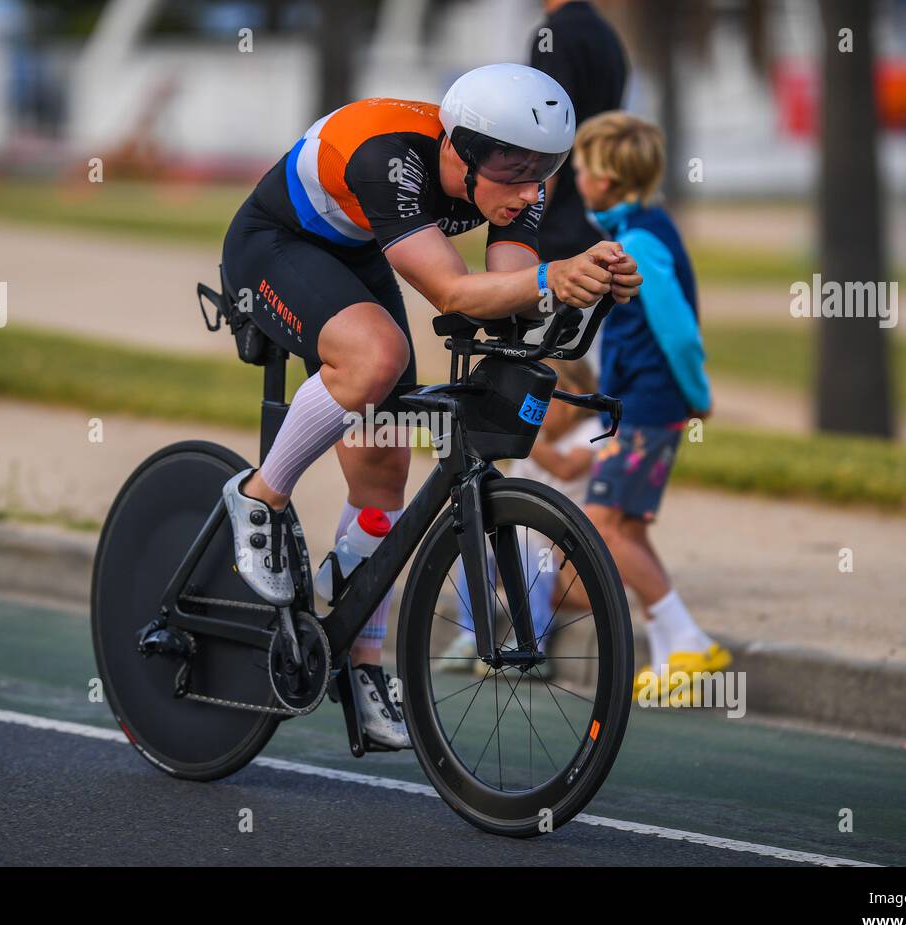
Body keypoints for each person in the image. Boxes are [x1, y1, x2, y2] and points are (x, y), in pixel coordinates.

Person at [218, 64, 644, 748]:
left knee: (386, 465)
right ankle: (261, 495)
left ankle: (357, 662)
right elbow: (452, 293)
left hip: (356, 254)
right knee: (375, 356)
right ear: (461, 150)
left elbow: (506, 292)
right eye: (512, 172)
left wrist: (581, 283)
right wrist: (549, 277)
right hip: (275, 245)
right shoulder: (388, 160)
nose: (529, 188)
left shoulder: (517, 175)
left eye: (544, 169)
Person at [571, 111, 731, 703]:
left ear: (608, 180)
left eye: (584, 169)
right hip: (639, 404)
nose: (577, 178)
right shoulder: (636, 229)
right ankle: (674, 654)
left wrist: (698, 395)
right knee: (629, 526)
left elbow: (679, 331)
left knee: (604, 527)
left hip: (647, 407)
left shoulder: (640, 241)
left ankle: (687, 638)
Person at [440, 358, 607, 679]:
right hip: (531, 541)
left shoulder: (591, 432)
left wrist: (524, 440)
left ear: (572, 398)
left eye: (544, 398)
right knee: (477, 540)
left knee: (531, 543)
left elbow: (568, 467)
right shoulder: (540, 440)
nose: (535, 405)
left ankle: (534, 640)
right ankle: (469, 633)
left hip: (566, 549)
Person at [528, 1, 629, 264]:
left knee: (548, 302)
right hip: (599, 208)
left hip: (559, 223)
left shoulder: (553, 35)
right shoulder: (608, 35)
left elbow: (550, 133)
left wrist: (527, 219)